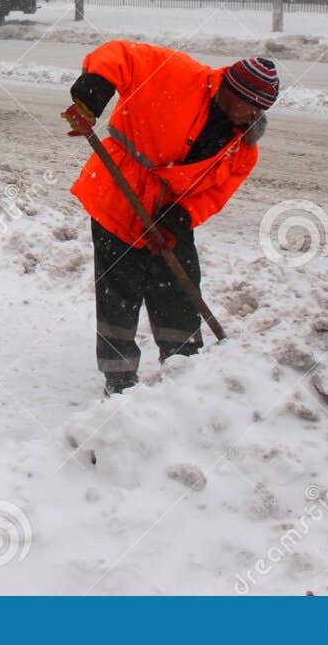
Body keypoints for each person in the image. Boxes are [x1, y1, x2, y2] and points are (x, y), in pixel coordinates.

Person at [62, 43, 278, 396]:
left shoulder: (243, 149)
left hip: (168, 222)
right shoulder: (178, 74)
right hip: (117, 198)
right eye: (251, 105)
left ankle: (187, 372)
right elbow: (119, 54)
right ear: (231, 91)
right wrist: (95, 88)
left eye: (262, 109)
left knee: (179, 292)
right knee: (118, 292)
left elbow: (214, 196)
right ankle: (119, 379)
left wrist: (182, 216)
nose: (254, 115)